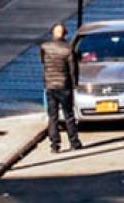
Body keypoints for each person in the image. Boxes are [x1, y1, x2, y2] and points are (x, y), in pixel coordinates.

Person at [39, 23, 83, 154]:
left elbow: (43, 62)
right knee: (68, 115)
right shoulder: (68, 49)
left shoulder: (45, 47)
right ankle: (74, 141)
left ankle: (54, 144)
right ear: (65, 34)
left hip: (50, 85)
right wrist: (75, 85)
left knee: (53, 116)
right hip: (64, 85)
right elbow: (73, 70)